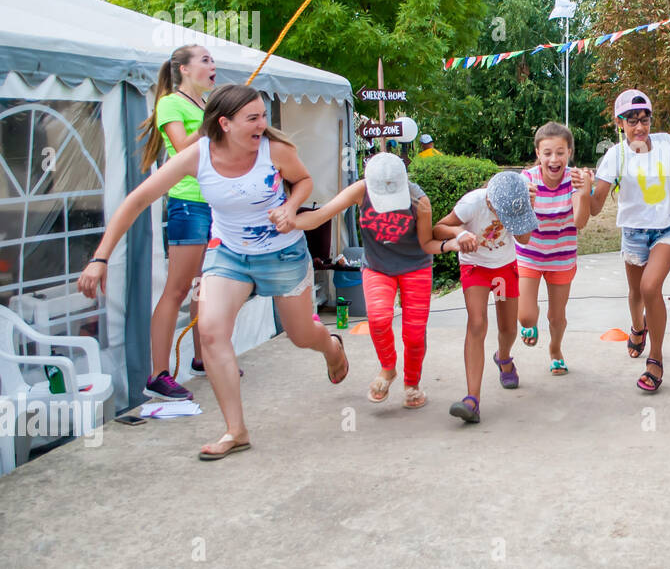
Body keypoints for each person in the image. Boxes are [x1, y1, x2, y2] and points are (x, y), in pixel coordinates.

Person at [78, 84, 350, 460]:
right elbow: (137, 199)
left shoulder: (275, 150)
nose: (262, 125)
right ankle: (236, 431)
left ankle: (331, 347)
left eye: (263, 116)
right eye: (252, 118)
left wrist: (291, 207)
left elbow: (303, 181)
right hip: (229, 254)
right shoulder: (197, 155)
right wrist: (100, 257)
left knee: (301, 335)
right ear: (224, 123)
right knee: (210, 331)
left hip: (283, 254)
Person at [291, 152, 460, 409]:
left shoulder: (419, 201)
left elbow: (426, 243)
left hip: (415, 266)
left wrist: (450, 245)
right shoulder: (360, 190)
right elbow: (321, 215)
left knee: (414, 334)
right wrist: (287, 220)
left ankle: (412, 383)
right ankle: (388, 369)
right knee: (378, 318)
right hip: (378, 268)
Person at [589, 89, 670, 393]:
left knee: (650, 287)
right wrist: (583, 190)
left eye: (644, 120)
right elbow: (595, 208)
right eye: (631, 121)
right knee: (636, 292)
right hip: (633, 232)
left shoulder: (667, 146)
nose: (639, 128)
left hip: (667, 229)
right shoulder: (615, 156)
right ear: (619, 122)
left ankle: (656, 359)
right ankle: (638, 327)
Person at [134, 44, 217, 401]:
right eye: (206, 60)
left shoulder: (203, 105)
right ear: (183, 69)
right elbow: (183, 148)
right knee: (177, 290)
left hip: (211, 204)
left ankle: (202, 359)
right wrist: (212, 123)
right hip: (188, 205)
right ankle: (157, 374)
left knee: (202, 285)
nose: (213, 65)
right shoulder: (171, 103)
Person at [432, 171, 538, 423]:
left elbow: (524, 239)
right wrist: (459, 234)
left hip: (504, 269)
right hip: (475, 267)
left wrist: (526, 209)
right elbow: (438, 229)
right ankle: (472, 399)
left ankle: (503, 358)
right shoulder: (472, 203)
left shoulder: (519, 199)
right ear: (490, 201)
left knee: (508, 328)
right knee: (477, 323)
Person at [517, 122, 592, 376]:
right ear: (537, 154)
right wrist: (524, 203)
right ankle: (531, 323)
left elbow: (579, 222)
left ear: (569, 152)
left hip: (561, 258)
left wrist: (584, 193)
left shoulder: (575, 180)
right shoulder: (526, 180)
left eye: (560, 152)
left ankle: (555, 349)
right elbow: (519, 230)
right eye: (547, 152)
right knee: (526, 317)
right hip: (530, 255)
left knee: (556, 316)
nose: (554, 158)